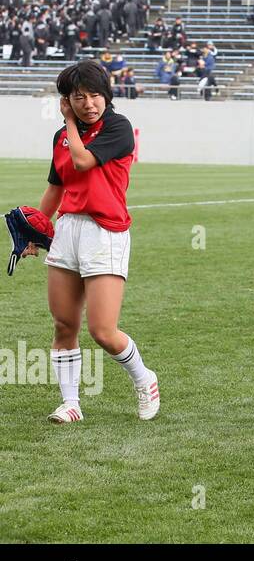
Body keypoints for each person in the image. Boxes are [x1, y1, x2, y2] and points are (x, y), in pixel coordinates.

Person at [32, 61, 159, 424]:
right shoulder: (60, 138)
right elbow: (56, 188)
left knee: (102, 330)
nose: (89, 103)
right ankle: (70, 403)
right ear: (67, 100)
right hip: (68, 229)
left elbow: (83, 161)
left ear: (107, 95)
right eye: (79, 97)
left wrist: (69, 121)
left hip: (106, 231)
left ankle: (144, 378)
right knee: (63, 325)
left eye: (95, 95)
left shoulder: (118, 128)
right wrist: (35, 233)